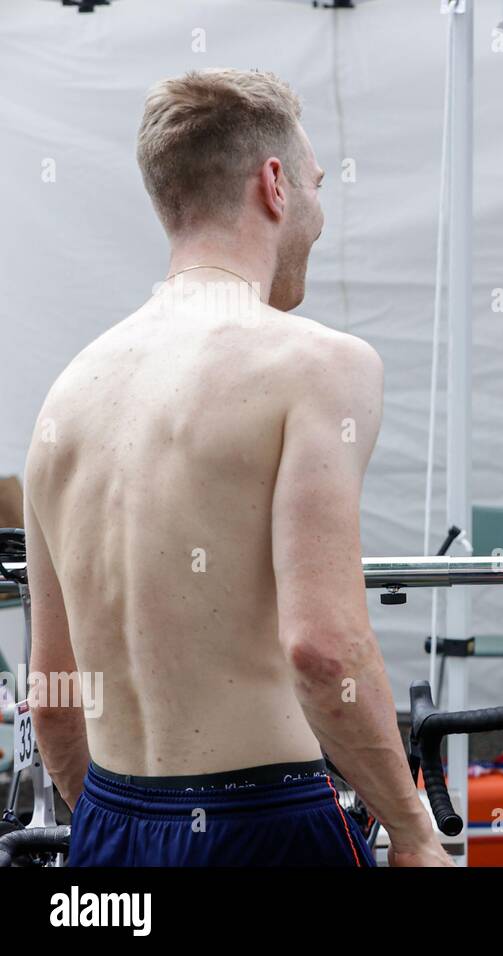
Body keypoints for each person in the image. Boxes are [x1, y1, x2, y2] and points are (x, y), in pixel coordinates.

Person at [23, 68, 450, 867]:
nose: (321, 215)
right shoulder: (319, 365)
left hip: (111, 822)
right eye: (320, 186)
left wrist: (110, 831)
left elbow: (52, 698)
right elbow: (324, 648)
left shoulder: (67, 396)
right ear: (275, 185)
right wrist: (413, 829)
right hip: (263, 824)